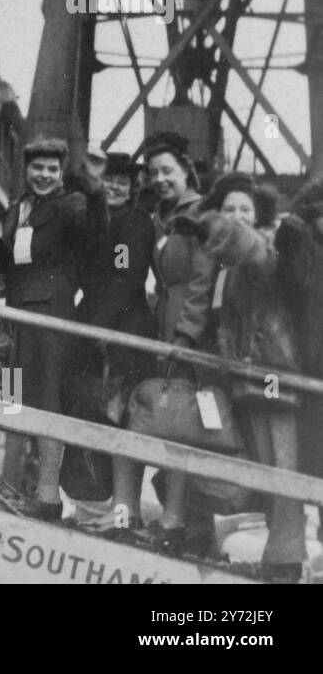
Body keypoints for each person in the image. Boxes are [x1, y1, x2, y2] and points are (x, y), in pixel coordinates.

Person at [186, 173, 305, 582]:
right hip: (245, 376)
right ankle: (279, 556)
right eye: (229, 209)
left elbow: (253, 249)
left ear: (260, 217)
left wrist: (214, 224)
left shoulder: (266, 248)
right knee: (264, 465)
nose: (237, 217)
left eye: (245, 210)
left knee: (282, 466)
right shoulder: (225, 266)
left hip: (272, 374)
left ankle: (287, 559)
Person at [109, 133, 213, 549]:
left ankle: (175, 524)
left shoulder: (201, 214)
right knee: (144, 413)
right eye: (153, 173)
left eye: (167, 170)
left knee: (181, 421)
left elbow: (203, 279)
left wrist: (187, 333)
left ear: (187, 170)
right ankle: (131, 515)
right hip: (160, 324)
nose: (159, 179)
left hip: (188, 332)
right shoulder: (160, 218)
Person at [0, 136, 105, 520]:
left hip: (52, 315)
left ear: (61, 173)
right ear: (26, 169)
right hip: (18, 313)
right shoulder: (19, 207)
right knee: (24, 399)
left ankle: (48, 493)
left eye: (51, 169)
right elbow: (5, 260)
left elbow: (93, 228)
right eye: (37, 168)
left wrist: (95, 192)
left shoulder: (71, 205)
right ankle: (36, 487)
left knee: (47, 399)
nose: (43, 175)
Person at [71, 149, 156, 512]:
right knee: (87, 408)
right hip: (94, 319)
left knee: (121, 415)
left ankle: (124, 511)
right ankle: (92, 502)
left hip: (121, 325)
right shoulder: (97, 216)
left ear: (132, 188)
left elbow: (126, 276)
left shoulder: (133, 224)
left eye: (122, 183)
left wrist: (99, 325)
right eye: (109, 181)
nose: (115, 188)